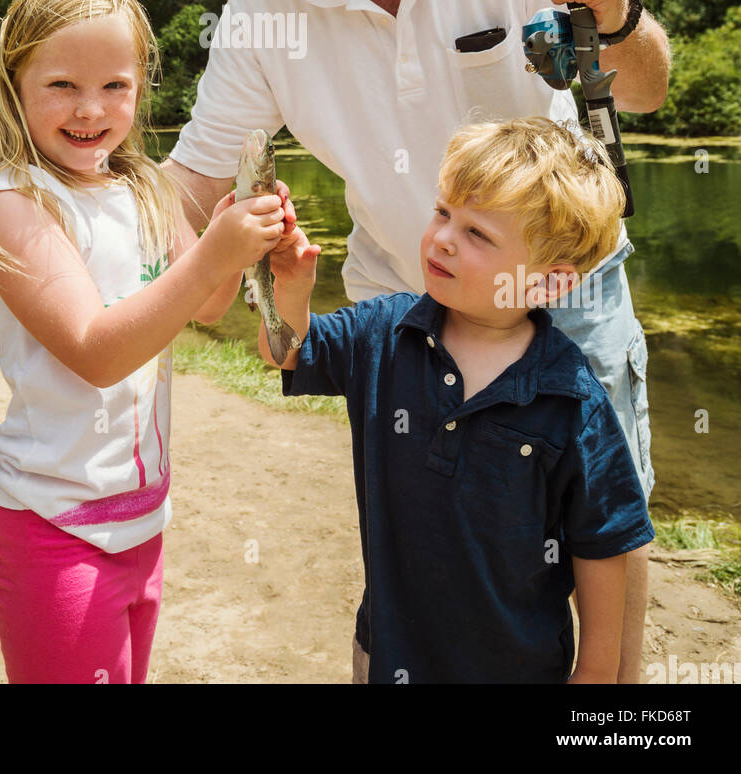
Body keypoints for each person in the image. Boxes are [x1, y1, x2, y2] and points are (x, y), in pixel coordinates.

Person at [165, 0, 670, 681]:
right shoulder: (259, 4)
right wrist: (94, 241)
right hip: (410, 313)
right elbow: (194, 183)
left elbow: (641, 91)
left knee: (605, 543)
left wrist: (617, 9)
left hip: (572, 287)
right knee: (422, 535)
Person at [0, 0, 284, 684]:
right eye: (62, 84)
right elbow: (95, 353)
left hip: (142, 523)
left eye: (115, 86)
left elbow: (208, 305)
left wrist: (236, 235)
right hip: (53, 529)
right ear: (13, 83)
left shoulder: (143, 189)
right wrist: (210, 258)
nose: (90, 108)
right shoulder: (10, 202)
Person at [262, 117, 656, 685]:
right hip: (387, 657)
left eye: (478, 234)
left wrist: (595, 670)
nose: (443, 237)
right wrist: (291, 289)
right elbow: (287, 352)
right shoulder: (383, 333)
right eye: (443, 212)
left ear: (547, 284)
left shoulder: (573, 401)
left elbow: (604, 544)